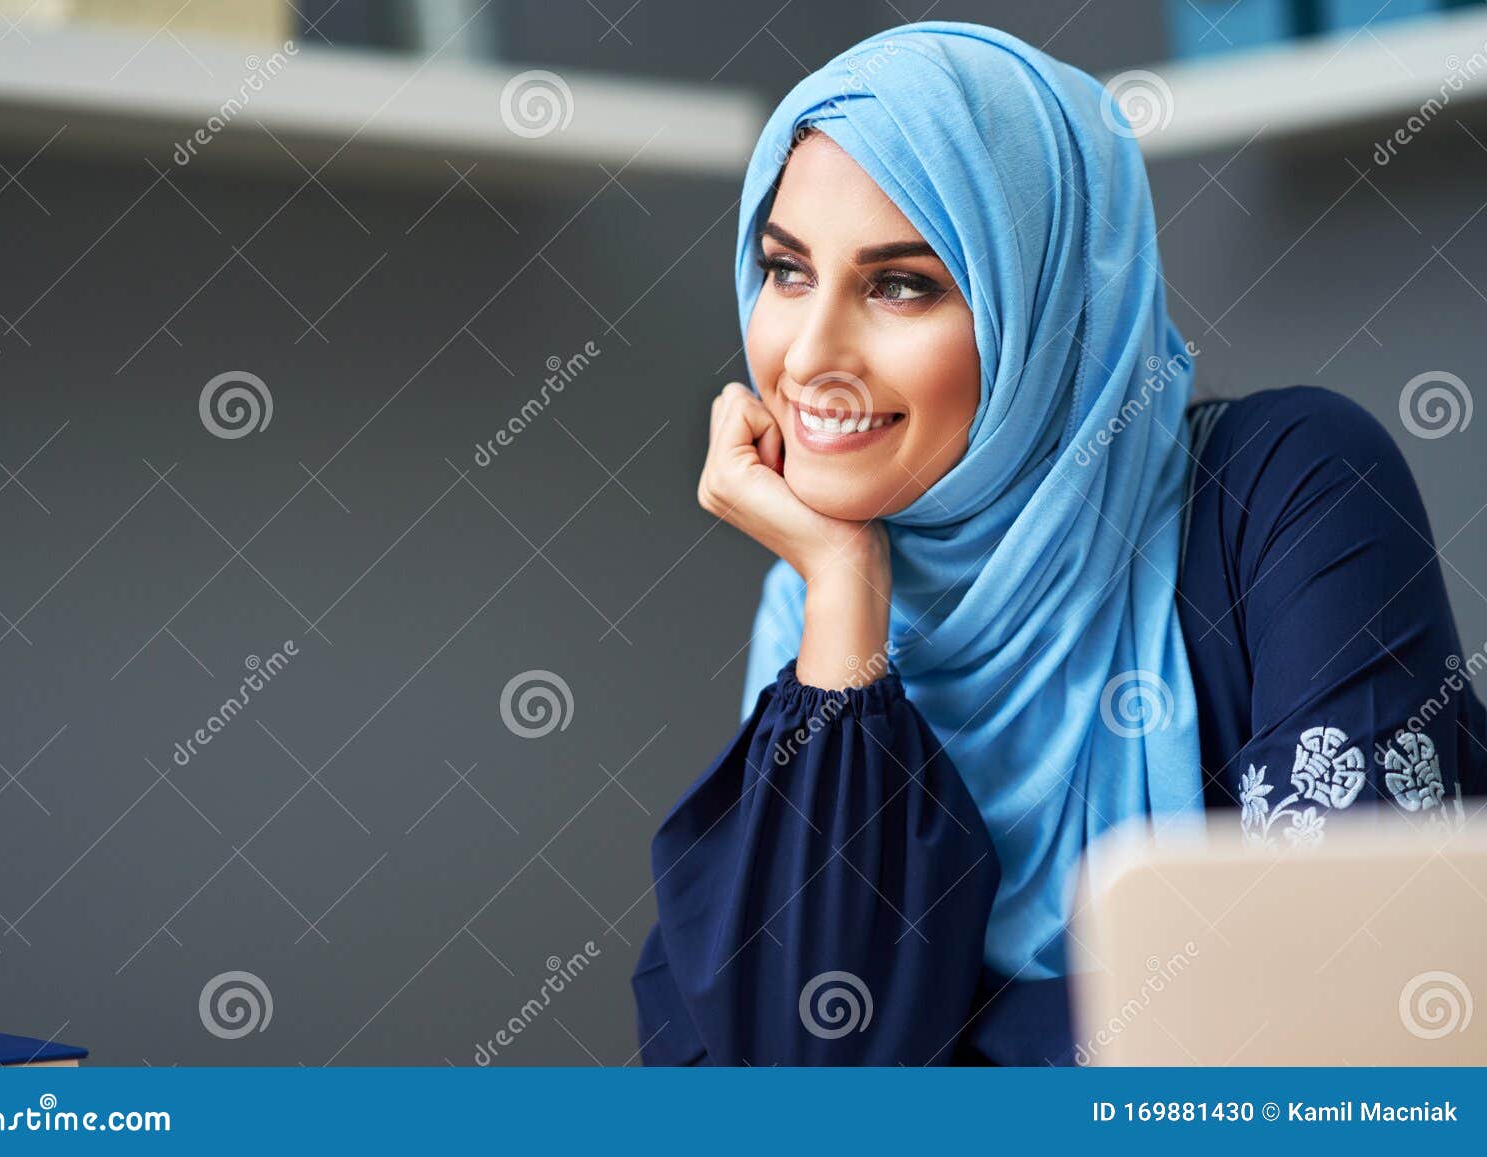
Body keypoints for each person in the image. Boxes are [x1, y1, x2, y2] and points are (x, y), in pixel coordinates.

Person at [629, 21, 1487, 1066]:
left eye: (902, 284)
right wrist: (844, 592)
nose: (809, 357)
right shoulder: (812, 623)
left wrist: (943, 1044)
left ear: (1048, 307)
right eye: (786, 269)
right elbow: (791, 1083)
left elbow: (1344, 1004)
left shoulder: (1292, 487)